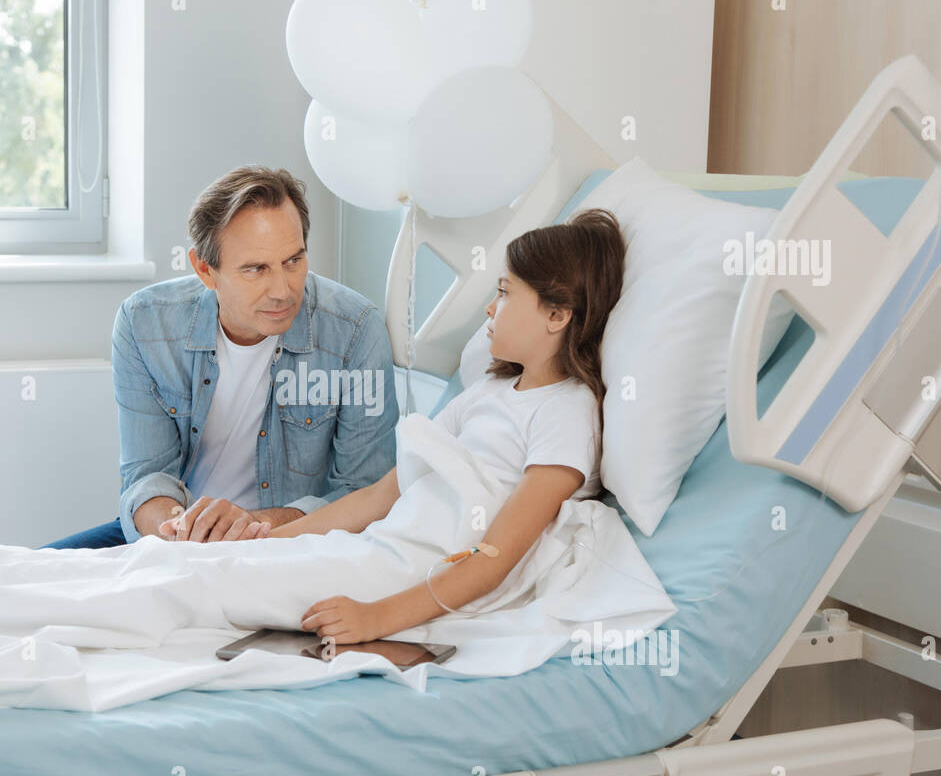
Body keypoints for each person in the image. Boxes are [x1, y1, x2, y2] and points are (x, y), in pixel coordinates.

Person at [159, 207, 627, 644]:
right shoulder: (487, 394)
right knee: (201, 564)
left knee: (198, 586)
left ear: (556, 315)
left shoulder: (566, 413)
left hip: (418, 567)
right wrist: (264, 543)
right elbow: (383, 494)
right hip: (382, 544)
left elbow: (498, 557)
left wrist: (377, 617)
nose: (489, 308)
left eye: (504, 293)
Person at [45, 166, 399, 549]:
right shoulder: (145, 325)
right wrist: (183, 532)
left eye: (293, 261)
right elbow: (146, 479)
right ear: (204, 269)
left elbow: (366, 495)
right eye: (256, 269)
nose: (282, 290)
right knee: (34, 577)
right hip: (177, 537)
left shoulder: (356, 331)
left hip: (290, 541)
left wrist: (253, 525)